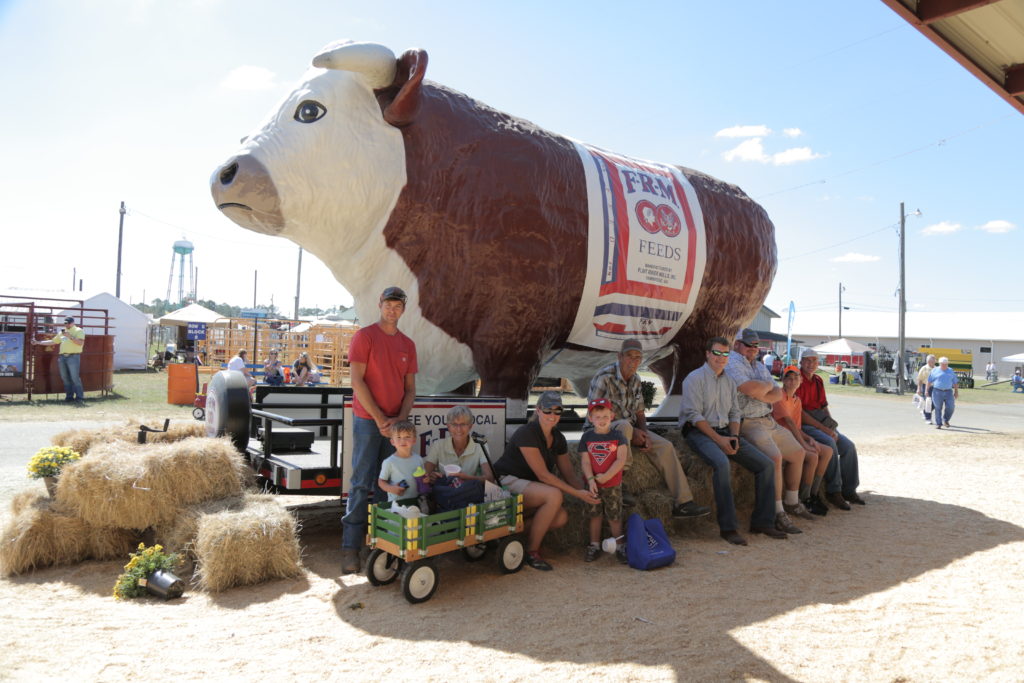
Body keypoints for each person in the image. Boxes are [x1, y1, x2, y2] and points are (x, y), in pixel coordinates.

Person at [587, 339, 710, 519]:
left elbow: (639, 411)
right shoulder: (604, 377)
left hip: (628, 429)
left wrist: (644, 433)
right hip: (601, 430)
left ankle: (683, 502)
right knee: (624, 425)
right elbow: (594, 414)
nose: (634, 361)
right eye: (629, 356)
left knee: (666, 446)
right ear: (619, 356)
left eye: (638, 358)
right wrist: (633, 430)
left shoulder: (636, 379)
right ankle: (620, 483)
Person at [341, 286, 417, 574]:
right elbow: (357, 382)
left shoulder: (408, 345)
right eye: (388, 304)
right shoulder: (365, 336)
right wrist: (379, 419)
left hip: (394, 425)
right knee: (361, 481)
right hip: (366, 421)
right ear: (380, 304)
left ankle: (384, 544)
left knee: (388, 485)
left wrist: (398, 421)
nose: (392, 310)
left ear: (403, 310)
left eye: (397, 306)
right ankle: (350, 547)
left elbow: (410, 390)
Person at [680, 336, 782, 545]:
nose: (721, 358)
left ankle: (763, 521)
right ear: (708, 354)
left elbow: (735, 412)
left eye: (725, 354)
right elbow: (694, 416)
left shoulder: (729, 381)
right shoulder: (694, 378)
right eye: (717, 353)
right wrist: (720, 440)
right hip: (699, 432)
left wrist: (734, 437)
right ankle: (728, 528)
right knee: (722, 463)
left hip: (727, 431)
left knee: (767, 465)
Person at [492, 391, 600, 571]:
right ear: (538, 410)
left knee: (561, 517)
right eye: (548, 410)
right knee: (554, 495)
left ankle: (505, 537)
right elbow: (543, 475)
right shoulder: (527, 432)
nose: (552, 415)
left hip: (530, 489)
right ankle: (532, 552)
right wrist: (578, 494)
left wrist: (590, 493)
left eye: (557, 411)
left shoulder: (558, 438)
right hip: (506, 482)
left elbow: (569, 474)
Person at [725, 329, 807, 534]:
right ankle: (778, 512)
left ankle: (792, 501)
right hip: (748, 422)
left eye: (755, 346)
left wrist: (762, 391)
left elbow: (777, 393)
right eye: (748, 345)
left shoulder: (759, 364)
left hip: (767, 419)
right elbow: (747, 388)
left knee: (798, 453)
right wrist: (765, 388)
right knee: (775, 458)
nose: (752, 349)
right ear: (737, 345)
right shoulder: (732, 362)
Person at [795, 348, 865, 509]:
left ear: (818, 363)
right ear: (801, 362)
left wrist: (831, 425)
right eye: (807, 360)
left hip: (820, 419)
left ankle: (849, 489)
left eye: (814, 360)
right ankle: (834, 491)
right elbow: (799, 412)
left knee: (848, 446)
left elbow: (824, 406)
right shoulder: (796, 379)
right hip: (804, 422)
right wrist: (825, 430)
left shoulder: (818, 380)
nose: (811, 364)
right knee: (830, 444)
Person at [772, 366, 832, 516]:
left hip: (793, 437)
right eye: (788, 378)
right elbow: (789, 423)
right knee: (812, 456)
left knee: (827, 451)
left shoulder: (796, 400)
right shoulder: (779, 395)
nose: (792, 381)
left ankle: (814, 493)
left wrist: (809, 439)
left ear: (800, 380)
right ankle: (803, 498)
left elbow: (797, 427)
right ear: (783, 380)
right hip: (781, 438)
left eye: (795, 378)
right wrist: (804, 444)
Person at [578, 397, 629, 563]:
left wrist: (606, 476)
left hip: (612, 484)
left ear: (612, 416)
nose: (602, 420)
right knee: (595, 515)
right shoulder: (587, 437)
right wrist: (591, 480)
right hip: (592, 485)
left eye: (605, 416)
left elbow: (621, 459)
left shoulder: (618, 436)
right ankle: (594, 545)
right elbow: (585, 461)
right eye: (597, 417)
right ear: (590, 418)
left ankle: (620, 545)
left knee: (614, 515)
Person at [424, 406, 495, 484]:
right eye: (454, 424)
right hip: (444, 493)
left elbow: (490, 479)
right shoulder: (438, 445)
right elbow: (425, 475)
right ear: (448, 426)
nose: (459, 429)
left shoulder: (480, 445)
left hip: (469, 493)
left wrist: (466, 478)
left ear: (470, 426)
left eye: (463, 424)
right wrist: (432, 477)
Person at [31, 316, 86, 405]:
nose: (66, 325)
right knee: (65, 378)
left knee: (75, 378)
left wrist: (70, 336)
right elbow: (53, 342)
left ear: (73, 323)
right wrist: (38, 342)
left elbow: (80, 343)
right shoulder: (62, 332)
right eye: (65, 323)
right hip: (62, 357)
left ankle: (80, 397)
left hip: (73, 356)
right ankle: (69, 397)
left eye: (68, 323)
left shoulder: (78, 331)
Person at [377, 420, 425, 505]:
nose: (403, 440)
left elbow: (423, 477)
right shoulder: (389, 462)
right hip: (397, 505)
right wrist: (391, 489)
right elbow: (381, 482)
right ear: (392, 442)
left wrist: (426, 479)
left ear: (414, 440)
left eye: (407, 436)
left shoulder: (419, 459)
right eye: (398, 437)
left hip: (416, 503)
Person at [927, 357, 959, 429]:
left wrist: (956, 392)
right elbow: (929, 381)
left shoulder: (951, 371)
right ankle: (939, 423)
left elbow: (955, 382)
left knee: (951, 407)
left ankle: (945, 420)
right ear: (940, 364)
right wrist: (926, 390)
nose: (944, 366)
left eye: (946, 364)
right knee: (938, 407)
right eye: (943, 364)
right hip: (937, 391)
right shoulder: (935, 370)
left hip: (948, 391)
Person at [916, 354, 938, 423]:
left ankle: (924, 411)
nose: (934, 362)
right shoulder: (924, 368)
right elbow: (920, 379)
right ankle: (928, 418)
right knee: (928, 402)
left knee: (935, 403)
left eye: (934, 360)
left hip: (935, 387)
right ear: (928, 361)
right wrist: (919, 389)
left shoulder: (936, 368)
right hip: (926, 386)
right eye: (932, 361)